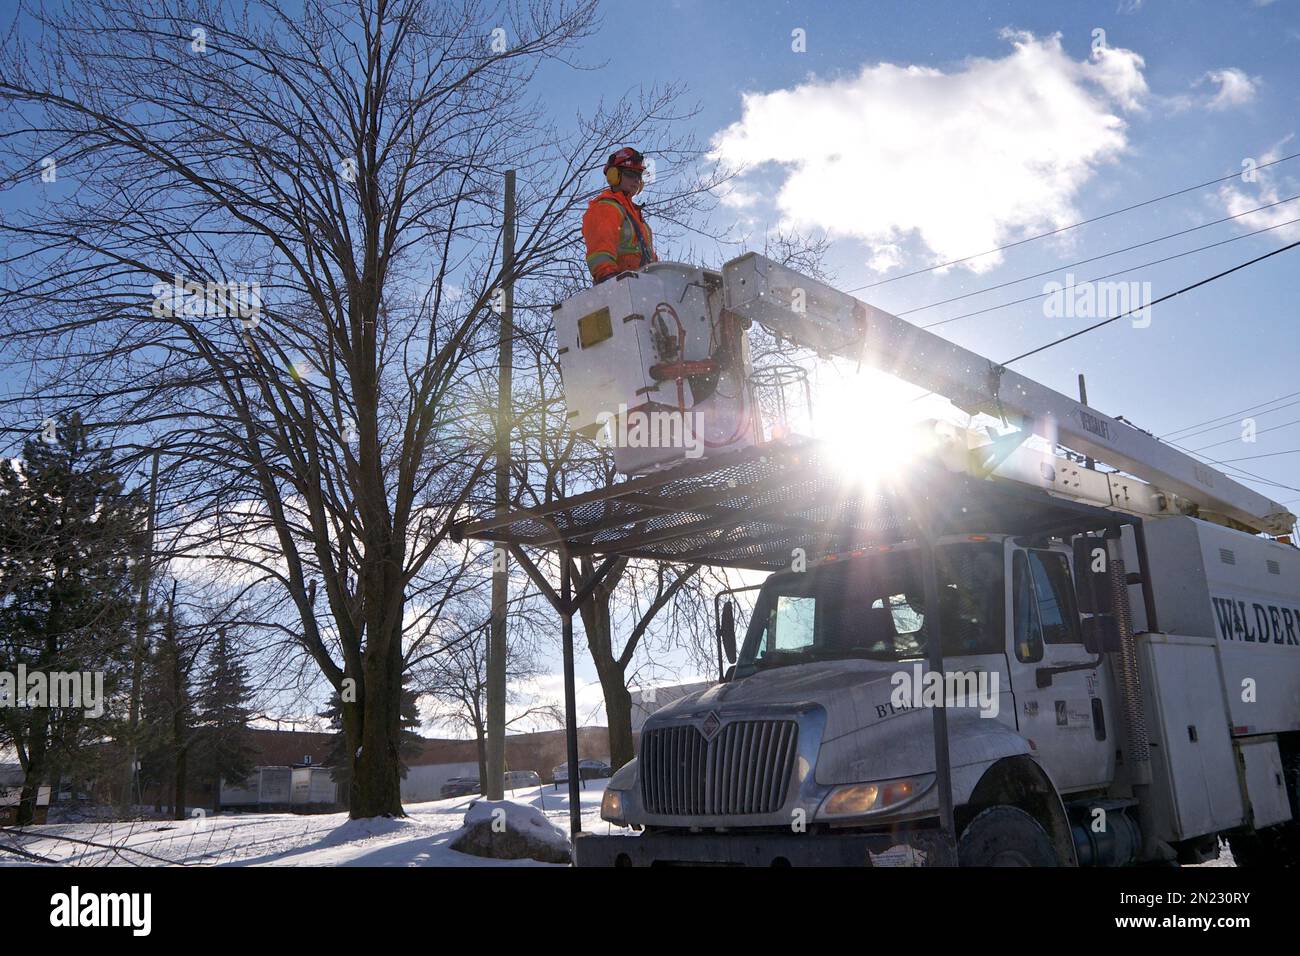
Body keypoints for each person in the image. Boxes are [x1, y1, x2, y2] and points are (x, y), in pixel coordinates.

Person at [582, 147, 657, 284]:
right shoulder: (606, 207)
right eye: (630, 174)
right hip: (621, 286)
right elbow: (600, 252)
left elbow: (650, 258)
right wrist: (610, 280)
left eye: (639, 176)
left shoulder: (635, 215)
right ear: (614, 175)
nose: (636, 180)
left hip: (643, 286)